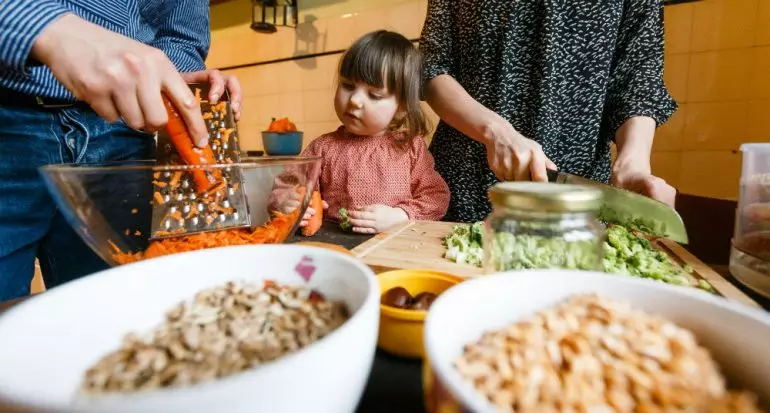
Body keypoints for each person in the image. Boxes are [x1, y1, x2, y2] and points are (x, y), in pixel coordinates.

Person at [0, 1, 243, 301]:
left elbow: (179, 34)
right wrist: (40, 26)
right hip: (8, 110)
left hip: (120, 131)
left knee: (117, 308)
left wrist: (172, 80)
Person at [420, 0, 678, 223]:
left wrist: (634, 163)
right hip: (466, 185)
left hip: (578, 198)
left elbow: (638, 76)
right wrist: (495, 132)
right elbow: (430, 67)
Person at [274, 30, 450, 234]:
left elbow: (436, 197)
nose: (354, 100)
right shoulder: (322, 147)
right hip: (334, 245)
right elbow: (286, 186)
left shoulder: (411, 147)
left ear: (401, 108)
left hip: (391, 248)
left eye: (374, 95)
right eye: (347, 85)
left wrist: (401, 216)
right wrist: (288, 203)